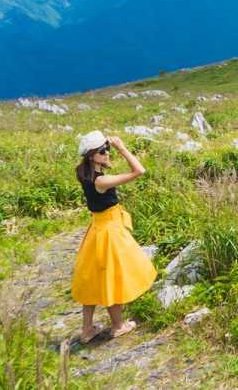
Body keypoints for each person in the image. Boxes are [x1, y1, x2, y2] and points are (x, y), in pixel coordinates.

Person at [71, 130, 157, 343]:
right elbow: (139, 170)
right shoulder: (101, 181)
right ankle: (118, 326)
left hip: (97, 228)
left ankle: (87, 329)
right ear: (92, 156)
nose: (107, 153)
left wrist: (107, 146)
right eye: (103, 151)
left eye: (107, 149)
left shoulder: (84, 173)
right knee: (112, 276)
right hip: (109, 231)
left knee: (93, 277)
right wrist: (121, 147)